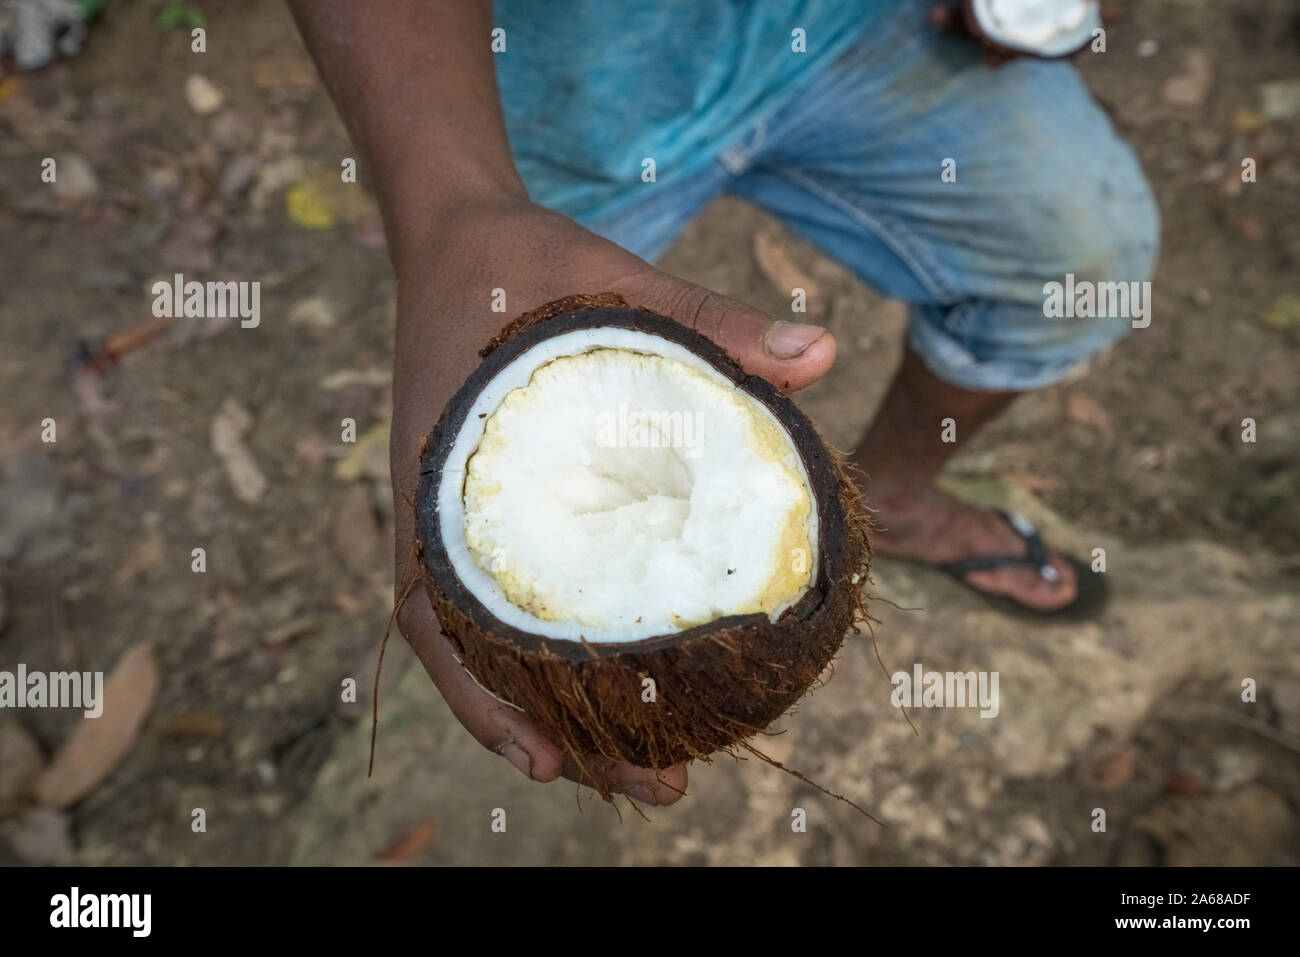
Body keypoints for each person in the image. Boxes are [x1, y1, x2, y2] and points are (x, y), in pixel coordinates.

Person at [288, 0, 1159, 806]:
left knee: (1086, 261)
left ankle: (896, 495)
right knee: (483, 324)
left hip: (853, 28)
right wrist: (451, 207)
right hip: (550, 90)